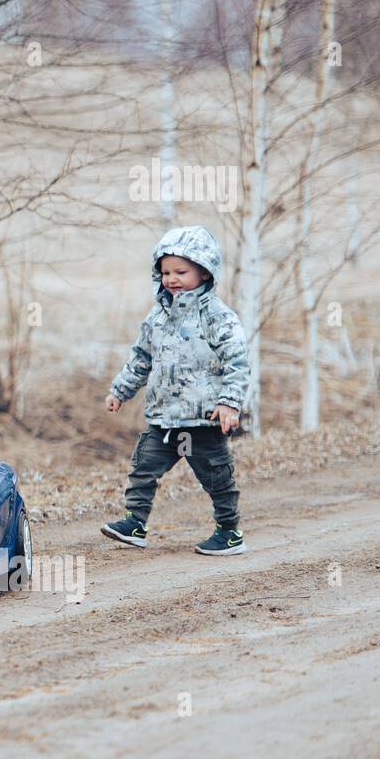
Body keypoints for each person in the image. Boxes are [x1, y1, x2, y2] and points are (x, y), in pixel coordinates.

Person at [101, 226, 250, 556]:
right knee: (143, 467)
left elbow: (237, 361)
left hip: (204, 418)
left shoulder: (216, 316)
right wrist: (121, 391)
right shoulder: (157, 317)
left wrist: (230, 403)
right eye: (166, 272)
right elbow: (141, 358)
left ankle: (229, 531)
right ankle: (135, 522)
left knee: (217, 477)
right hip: (164, 417)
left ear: (204, 271)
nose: (172, 279)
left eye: (181, 272)